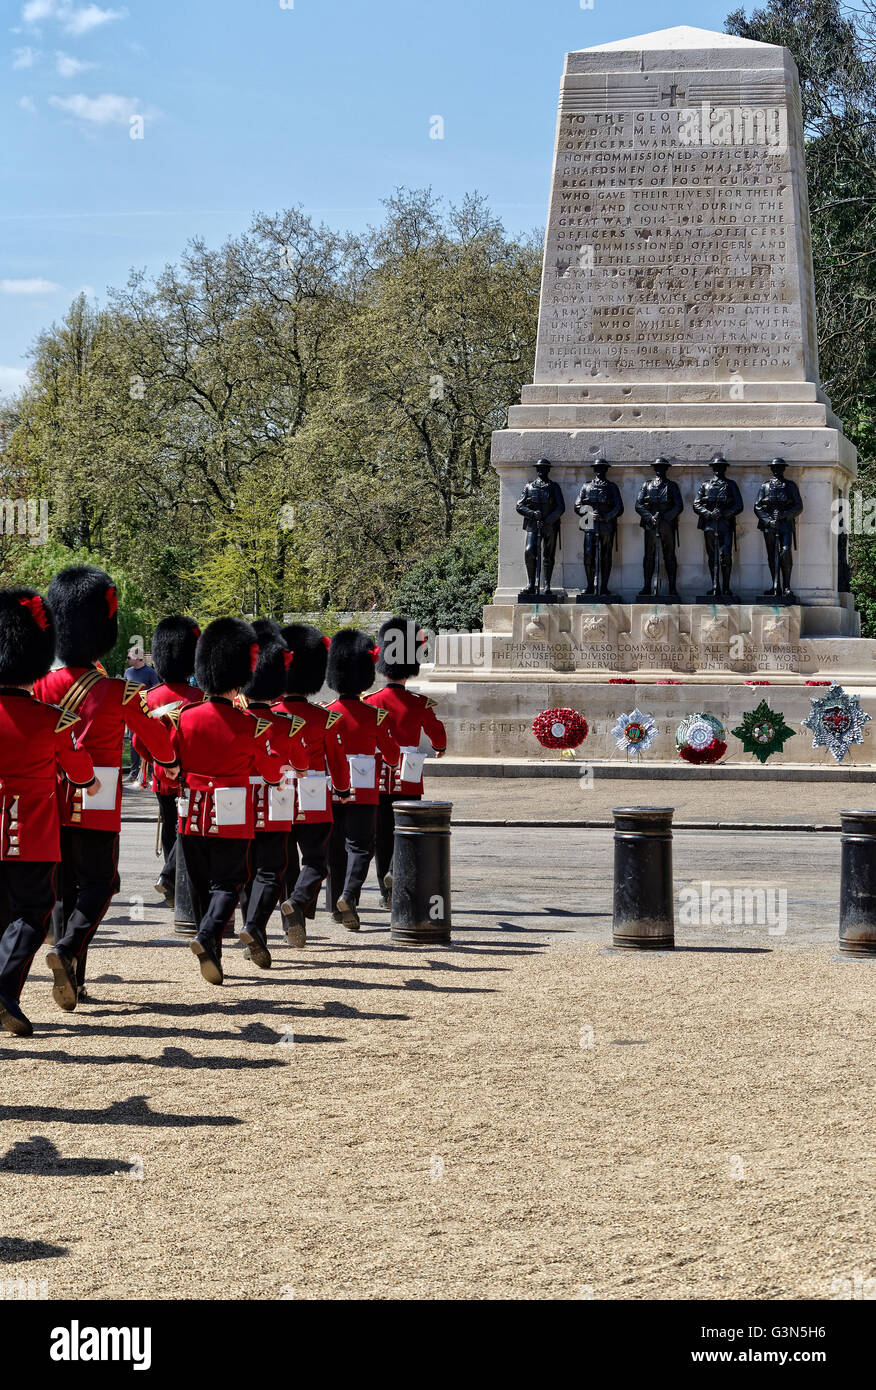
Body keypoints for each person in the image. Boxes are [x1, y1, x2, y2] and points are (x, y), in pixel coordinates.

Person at [34, 566, 178, 1010]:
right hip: (97, 797)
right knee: (103, 882)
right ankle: (69, 948)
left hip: (50, 796)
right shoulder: (118, 691)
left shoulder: (38, 685)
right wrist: (170, 762)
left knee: (65, 886)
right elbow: (152, 740)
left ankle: (73, 976)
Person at [169, 618, 292, 986]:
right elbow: (269, 772)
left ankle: (214, 954)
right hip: (233, 813)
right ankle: (207, 937)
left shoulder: (184, 718)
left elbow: (162, 755)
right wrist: (277, 775)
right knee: (229, 883)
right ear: (238, 678)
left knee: (199, 883)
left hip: (191, 812)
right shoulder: (247, 725)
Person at [0, 587, 95, 1036]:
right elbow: (79, 771)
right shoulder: (51, 718)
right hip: (33, 830)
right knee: (33, 910)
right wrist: (89, 780)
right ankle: (3, 989)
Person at [236, 622, 308, 970]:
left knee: (247, 872)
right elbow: (302, 762)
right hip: (276, 803)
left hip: (238, 804)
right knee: (272, 870)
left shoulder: (237, 719)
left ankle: (250, 935)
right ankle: (254, 928)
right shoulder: (285, 723)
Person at [363, 616, 446, 908]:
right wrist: (439, 748)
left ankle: (386, 891)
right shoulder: (418, 702)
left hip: (376, 777)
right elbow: (437, 732)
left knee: (381, 835)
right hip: (408, 777)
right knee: (406, 831)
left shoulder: (370, 701)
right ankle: (396, 874)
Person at [276, 625, 351, 947]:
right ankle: (301, 900)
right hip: (314, 796)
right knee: (317, 860)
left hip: (278, 795)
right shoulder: (324, 718)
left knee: (286, 862)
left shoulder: (272, 715)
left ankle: (290, 921)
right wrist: (345, 790)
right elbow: (337, 760)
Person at [324, 629, 400, 932]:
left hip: (332, 787)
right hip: (365, 789)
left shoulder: (327, 713)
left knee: (335, 847)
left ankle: (334, 907)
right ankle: (349, 896)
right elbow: (392, 756)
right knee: (361, 846)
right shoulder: (375, 715)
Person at [134, 616, 203, 907]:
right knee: (189, 829)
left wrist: (157, 764)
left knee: (170, 826)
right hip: (193, 775)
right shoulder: (200, 697)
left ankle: (171, 886)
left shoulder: (147, 697)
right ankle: (173, 879)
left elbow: (139, 742)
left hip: (163, 777)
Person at [123, 650, 161, 784]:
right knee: (132, 743)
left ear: (138, 658)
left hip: (146, 713)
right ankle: (133, 773)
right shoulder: (128, 672)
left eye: (129, 657)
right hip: (132, 713)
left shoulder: (150, 672)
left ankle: (149, 774)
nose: (127, 659)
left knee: (148, 743)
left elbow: (157, 690)